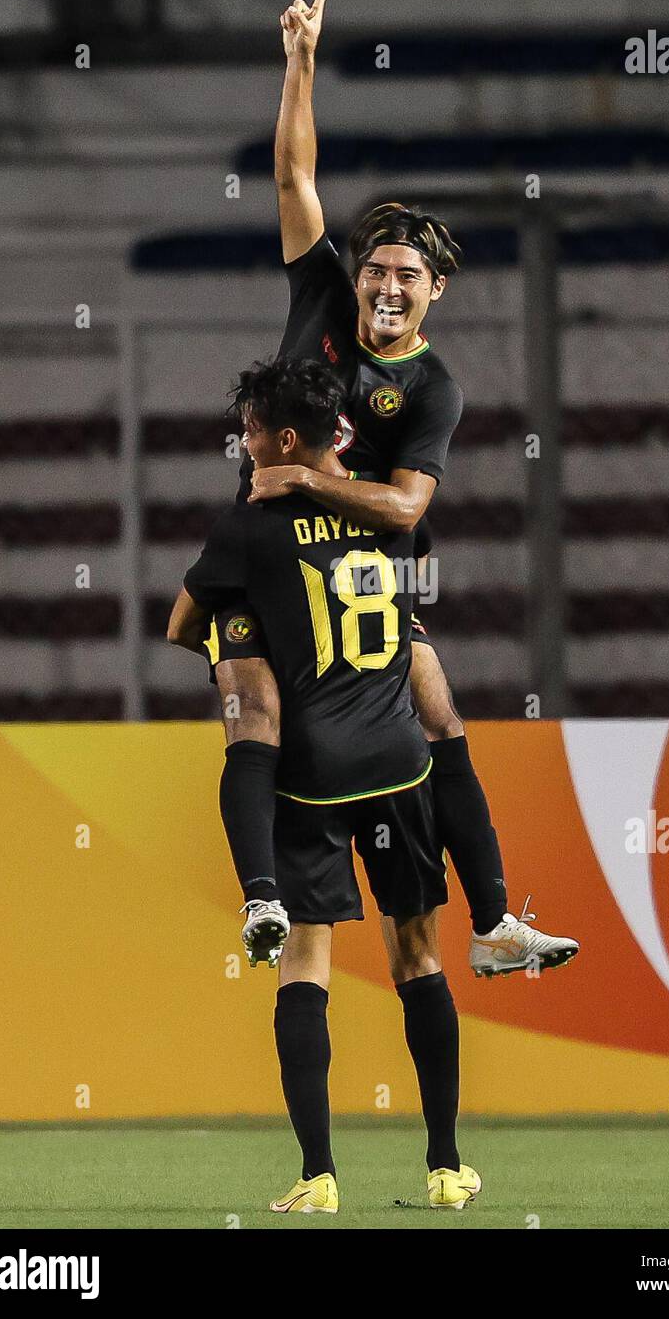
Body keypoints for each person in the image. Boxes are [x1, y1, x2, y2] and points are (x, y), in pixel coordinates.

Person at [214, 0, 579, 978]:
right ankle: (262, 897)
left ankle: (495, 922)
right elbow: (294, 177)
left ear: (434, 292)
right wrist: (299, 63)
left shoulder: (435, 389)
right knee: (252, 706)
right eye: (375, 268)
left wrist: (309, 487)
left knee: (440, 711)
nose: (383, 284)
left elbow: (409, 509)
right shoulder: (321, 293)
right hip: (264, 555)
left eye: (405, 275)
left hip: (355, 577)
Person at [168, 356, 480, 1212]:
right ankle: (446, 1166)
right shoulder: (392, 519)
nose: (244, 444)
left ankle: (317, 1177)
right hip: (399, 763)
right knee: (417, 954)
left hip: (311, 775)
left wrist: (239, 638)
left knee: (306, 960)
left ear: (287, 441)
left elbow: (178, 624)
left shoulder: (249, 527)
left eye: (252, 432)